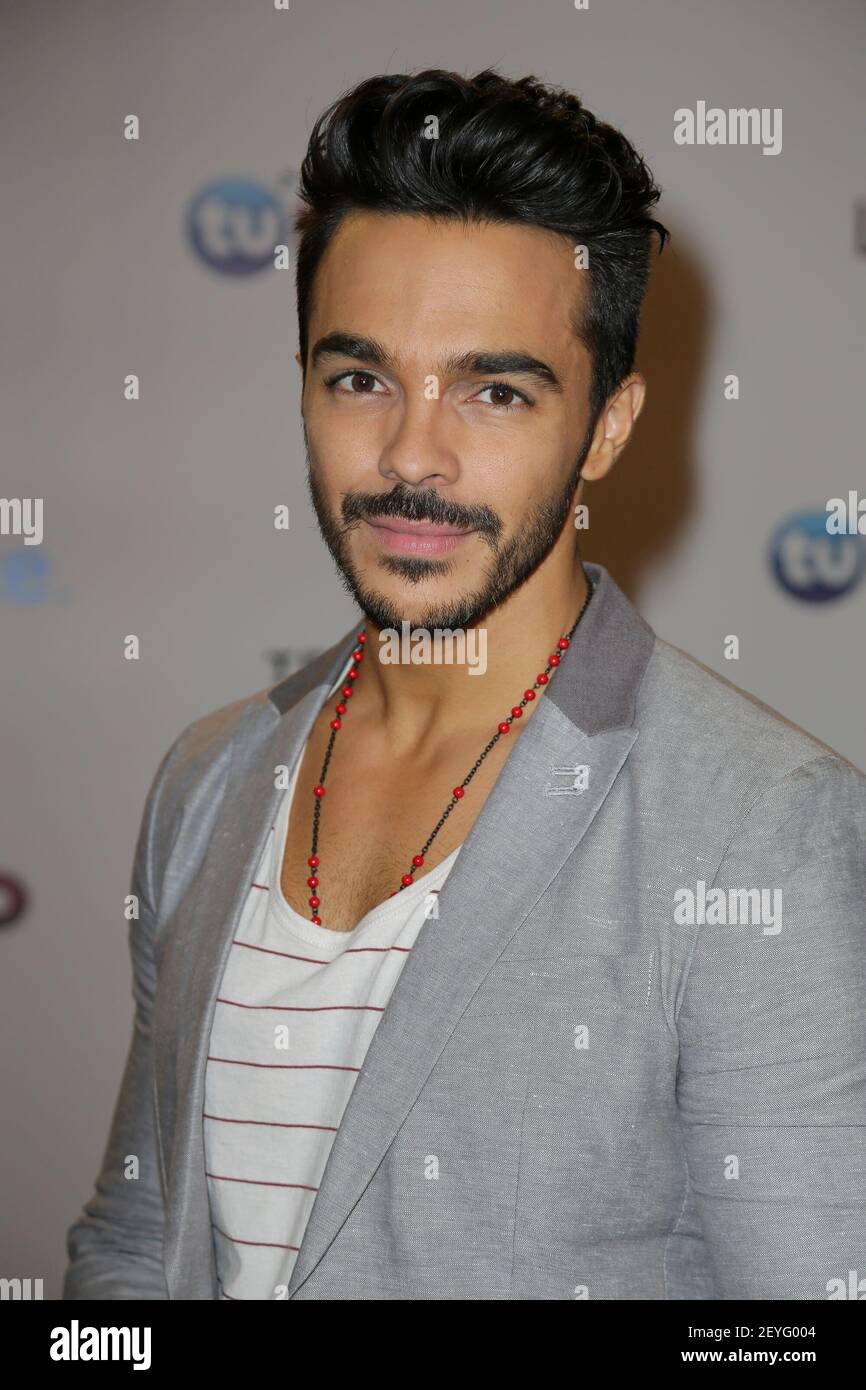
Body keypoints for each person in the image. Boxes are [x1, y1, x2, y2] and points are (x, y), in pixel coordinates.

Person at [63, 68, 866, 1301]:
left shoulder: (760, 828)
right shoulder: (206, 777)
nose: (410, 454)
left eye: (494, 390)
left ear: (605, 424)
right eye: (360, 378)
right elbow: (130, 1247)